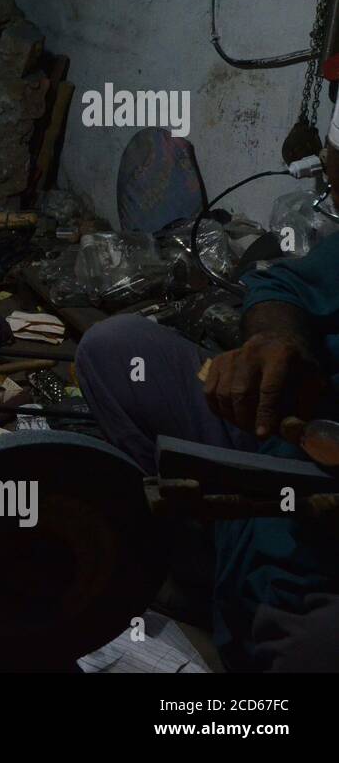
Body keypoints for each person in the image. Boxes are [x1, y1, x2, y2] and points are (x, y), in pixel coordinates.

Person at [75, 140, 339, 671]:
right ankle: (202, 562)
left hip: (321, 510)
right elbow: (281, 283)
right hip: (289, 432)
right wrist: (276, 339)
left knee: (308, 647)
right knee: (115, 349)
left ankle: (239, 589)